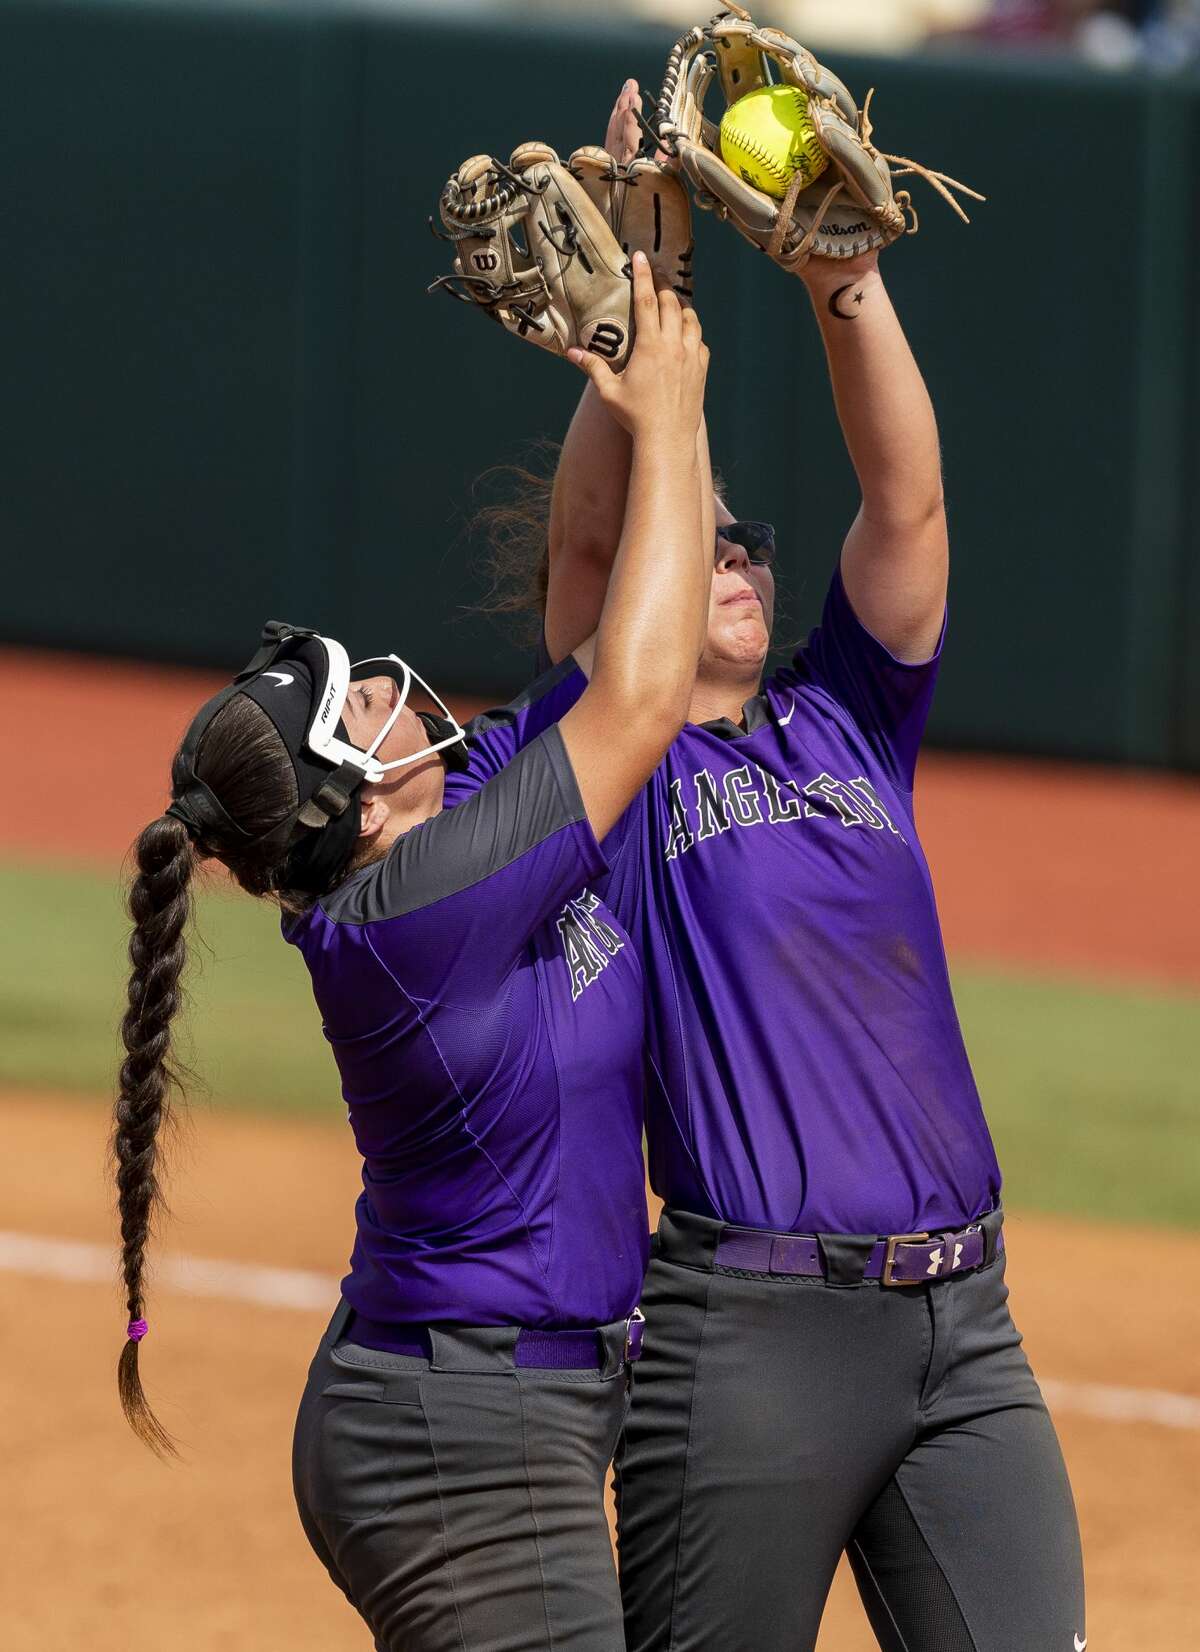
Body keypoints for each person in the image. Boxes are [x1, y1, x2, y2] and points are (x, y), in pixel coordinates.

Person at [447, 85, 1086, 1652]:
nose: (732, 555)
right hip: (751, 1342)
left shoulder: (851, 717)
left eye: (748, 542)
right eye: (705, 542)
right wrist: (645, 322)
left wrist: (841, 280)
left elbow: (908, 500)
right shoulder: (628, 764)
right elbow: (603, 566)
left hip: (968, 1331)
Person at [111, 253, 712, 1652]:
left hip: (481, 1410)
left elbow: (589, 578)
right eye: (367, 701)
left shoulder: (451, 851)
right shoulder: (419, 910)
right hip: (462, 1442)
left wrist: (637, 302)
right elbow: (647, 684)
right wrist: (677, 412)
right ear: (362, 798)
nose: (396, 685)